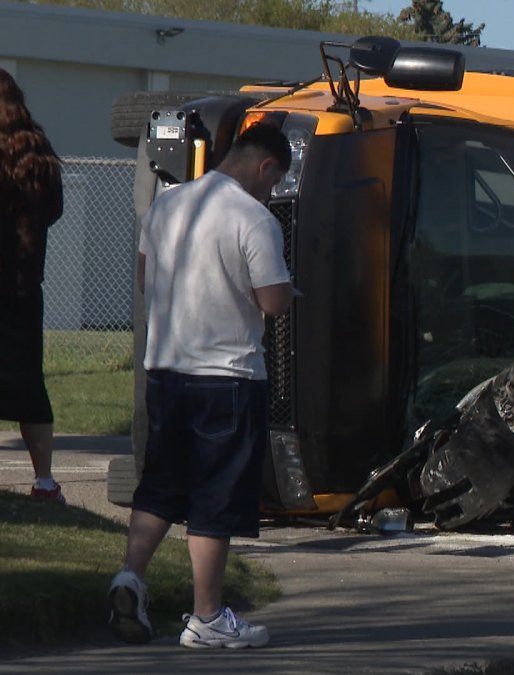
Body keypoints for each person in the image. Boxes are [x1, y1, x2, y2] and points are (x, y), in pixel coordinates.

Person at [108, 123, 296, 649]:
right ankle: (207, 616)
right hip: (227, 377)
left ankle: (130, 577)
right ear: (264, 166)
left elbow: (147, 277)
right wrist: (288, 289)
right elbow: (273, 302)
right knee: (216, 496)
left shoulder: (167, 206)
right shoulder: (254, 218)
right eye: (275, 180)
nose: (273, 191)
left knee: (161, 485)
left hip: (165, 369)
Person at [0, 68, 65, 504]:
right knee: (29, 384)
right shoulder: (40, 157)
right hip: (24, 287)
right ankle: (44, 481)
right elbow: (54, 212)